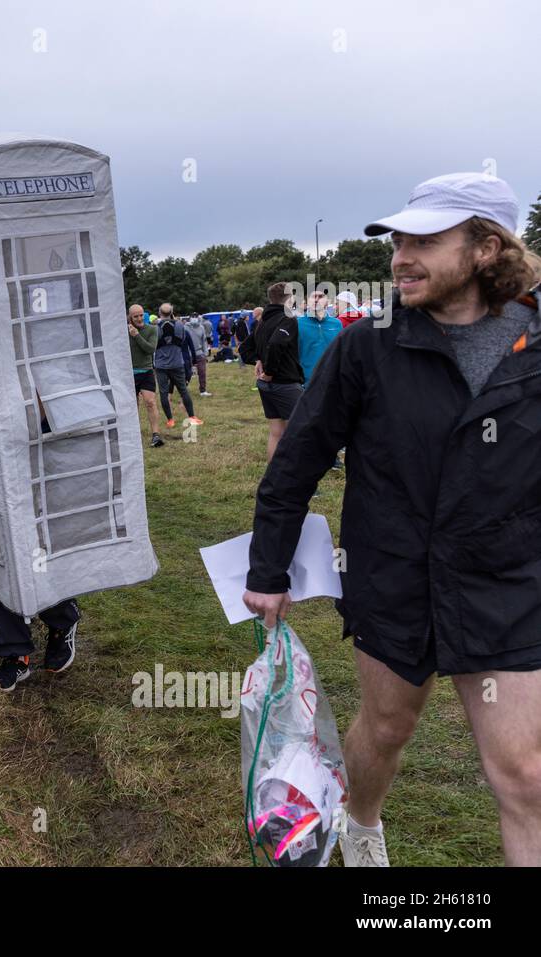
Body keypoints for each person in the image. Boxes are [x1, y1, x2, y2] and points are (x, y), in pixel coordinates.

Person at [243, 172, 541, 866]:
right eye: (397, 239)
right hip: (394, 577)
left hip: (507, 584)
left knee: (526, 773)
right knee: (385, 729)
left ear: (488, 248)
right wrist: (267, 568)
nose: (400, 255)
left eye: (424, 240)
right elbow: (296, 463)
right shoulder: (367, 347)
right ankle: (362, 819)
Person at [249, 283, 303, 461]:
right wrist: (270, 371)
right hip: (284, 383)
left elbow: (249, 345)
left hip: (267, 384)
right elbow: (277, 343)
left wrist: (258, 359)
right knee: (298, 433)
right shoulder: (288, 318)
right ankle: (295, 481)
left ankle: (274, 477)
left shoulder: (263, 320)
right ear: (289, 298)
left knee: (276, 432)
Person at [152, 303, 201, 428]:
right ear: (172, 312)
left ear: (159, 313)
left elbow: (153, 345)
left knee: (163, 393)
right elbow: (182, 341)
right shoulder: (180, 325)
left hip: (161, 365)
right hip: (177, 363)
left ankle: (170, 420)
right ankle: (192, 417)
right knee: (183, 391)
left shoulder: (155, 328)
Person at [128, 304, 163, 447]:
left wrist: (136, 336)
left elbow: (150, 349)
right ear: (130, 317)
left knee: (150, 402)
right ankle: (133, 434)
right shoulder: (124, 332)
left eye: (141, 315)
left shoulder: (152, 329)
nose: (139, 318)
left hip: (146, 371)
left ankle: (156, 435)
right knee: (132, 406)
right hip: (128, 373)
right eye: (136, 316)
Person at [297, 289, 343, 384]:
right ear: (307, 301)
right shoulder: (297, 323)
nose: (316, 299)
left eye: (321, 296)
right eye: (313, 296)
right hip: (306, 382)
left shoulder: (336, 324)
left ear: (327, 301)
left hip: (332, 381)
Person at [184, 312, 213, 395]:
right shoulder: (185, 327)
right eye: (192, 316)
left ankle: (203, 390)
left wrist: (205, 352)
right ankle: (183, 389)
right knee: (187, 373)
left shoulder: (201, 327)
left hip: (199, 353)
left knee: (202, 372)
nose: (194, 318)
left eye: (195, 316)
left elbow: (204, 340)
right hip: (188, 353)